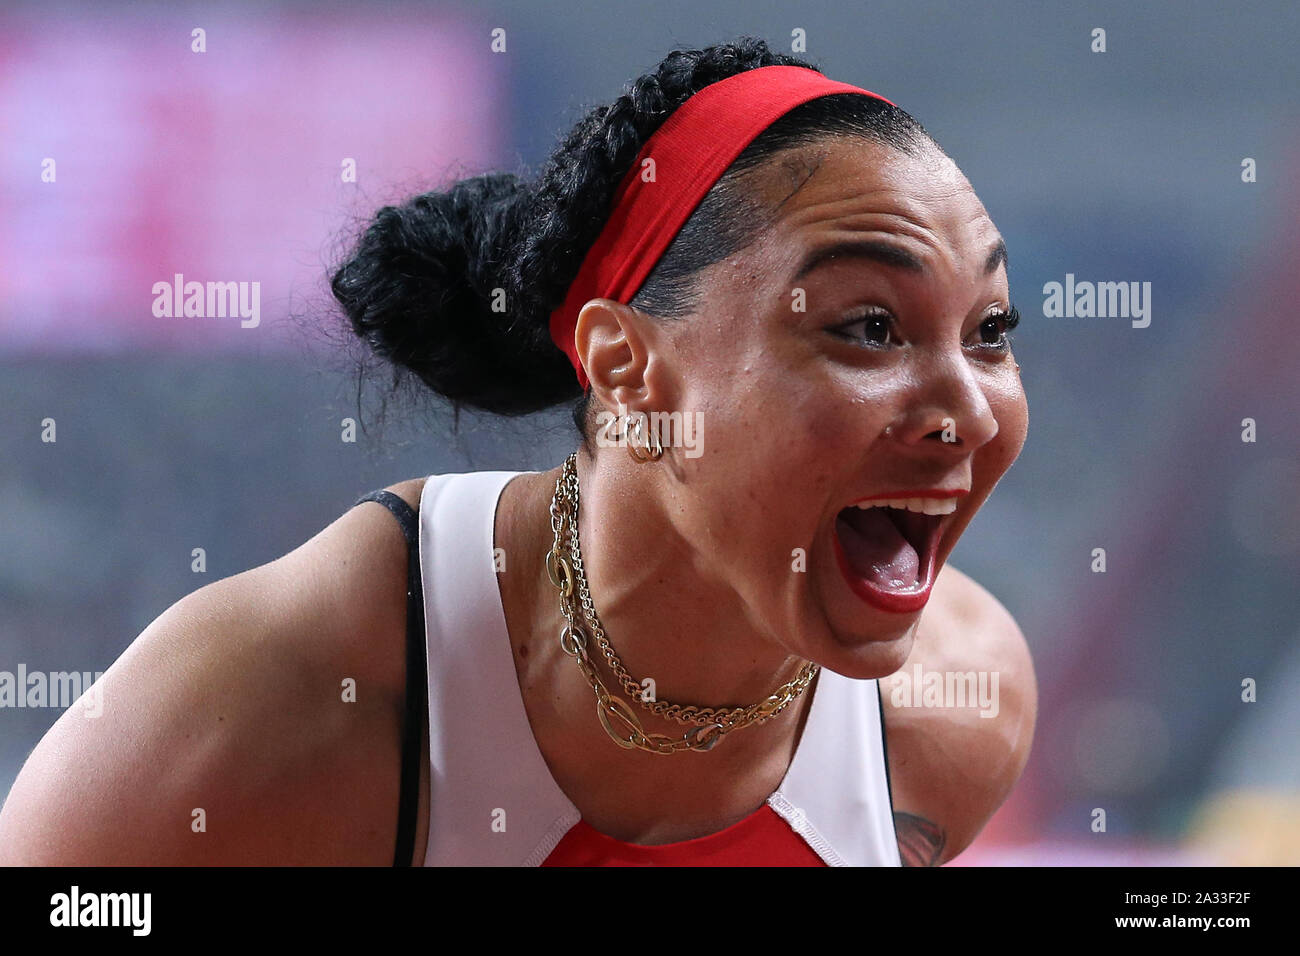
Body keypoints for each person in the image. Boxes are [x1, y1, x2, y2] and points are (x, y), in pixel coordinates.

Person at [0, 37, 1036, 866]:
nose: (970, 412)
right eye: (867, 327)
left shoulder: (958, 706)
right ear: (625, 365)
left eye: (989, 330)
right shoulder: (244, 725)